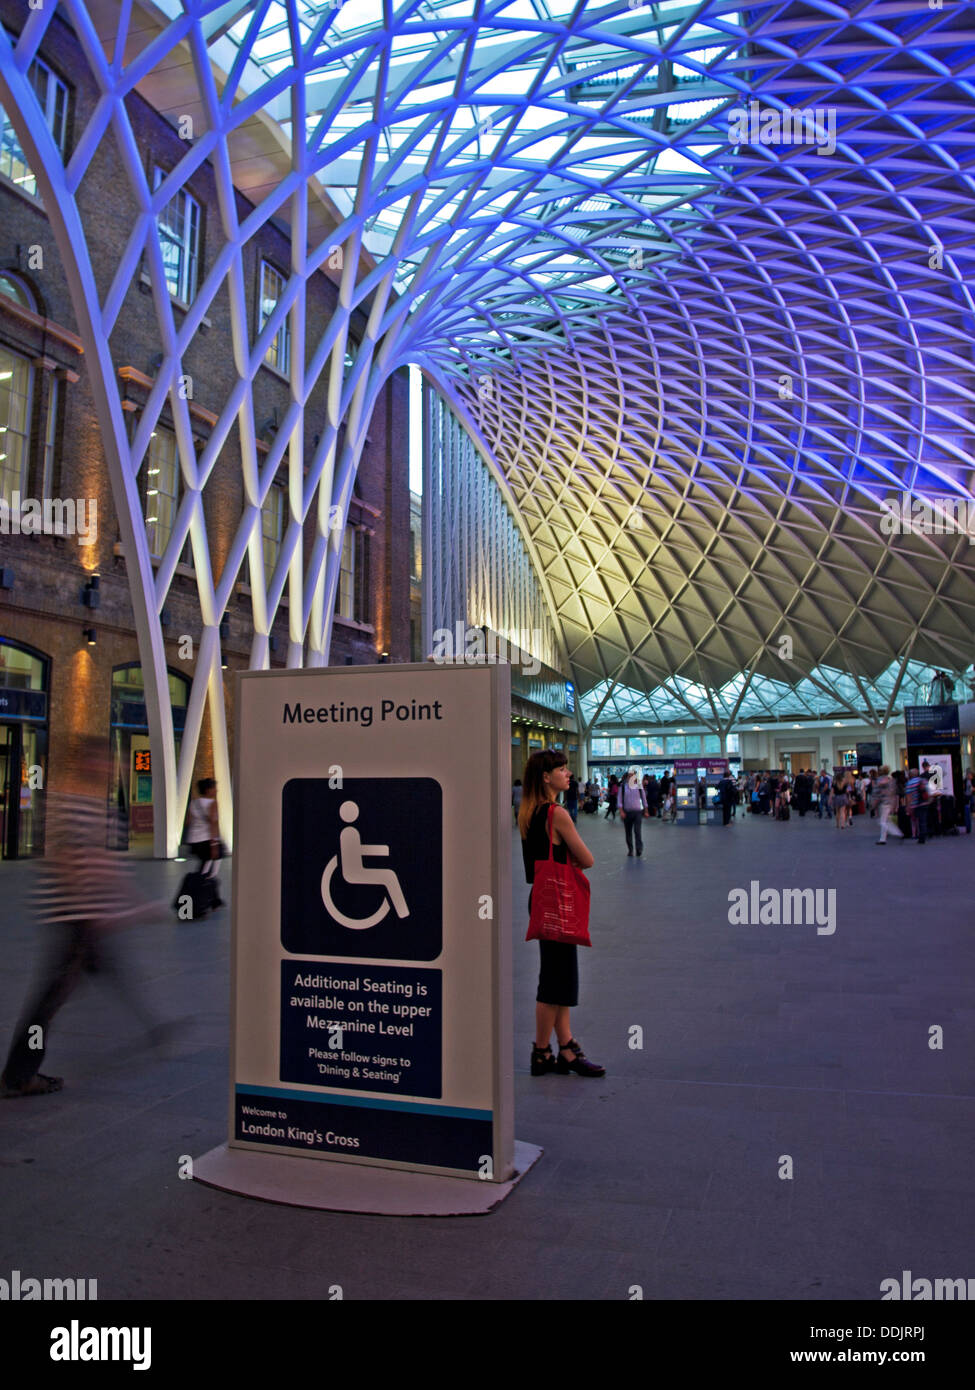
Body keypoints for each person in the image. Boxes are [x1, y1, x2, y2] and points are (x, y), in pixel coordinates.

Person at [1, 735, 174, 1098]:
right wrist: (99, 910)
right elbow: (63, 863)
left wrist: (136, 906)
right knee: (51, 997)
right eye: (104, 762)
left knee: (104, 975)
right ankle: (19, 1074)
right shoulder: (71, 807)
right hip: (76, 918)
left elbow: (109, 868)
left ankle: (155, 1024)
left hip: (88, 917)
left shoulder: (102, 809)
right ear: (87, 764)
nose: (110, 769)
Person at [519, 750, 604, 1078]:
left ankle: (565, 1046)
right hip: (558, 901)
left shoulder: (529, 812)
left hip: (541, 897)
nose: (568, 774)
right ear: (546, 776)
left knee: (560, 975)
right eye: (562, 769)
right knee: (554, 979)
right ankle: (543, 1051)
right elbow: (588, 858)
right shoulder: (557, 813)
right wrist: (573, 857)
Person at [619, 768, 648, 856]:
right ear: (627, 777)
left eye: (632, 776)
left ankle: (639, 849)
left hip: (637, 812)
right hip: (627, 813)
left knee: (637, 831)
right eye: (629, 776)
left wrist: (646, 810)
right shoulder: (623, 787)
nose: (631, 777)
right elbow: (619, 800)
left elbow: (644, 799)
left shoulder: (639, 787)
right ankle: (630, 850)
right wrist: (621, 811)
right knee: (628, 833)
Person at [874, 766, 903, 844]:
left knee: (882, 821)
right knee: (886, 820)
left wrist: (874, 803)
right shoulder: (892, 780)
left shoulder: (880, 780)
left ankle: (890, 835)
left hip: (883, 802)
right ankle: (886, 837)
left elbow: (877, 792)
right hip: (889, 801)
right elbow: (894, 793)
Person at [905, 767, 930, 843]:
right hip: (924, 803)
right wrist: (929, 801)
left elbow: (908, 796)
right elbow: (930, 791)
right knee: (923, 819)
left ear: (910, 775)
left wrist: (908, 806)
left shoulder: (909, 783)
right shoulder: (923, 780)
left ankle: (919, 835)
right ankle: (923, 834)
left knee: (916, 821)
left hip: (915, 805)